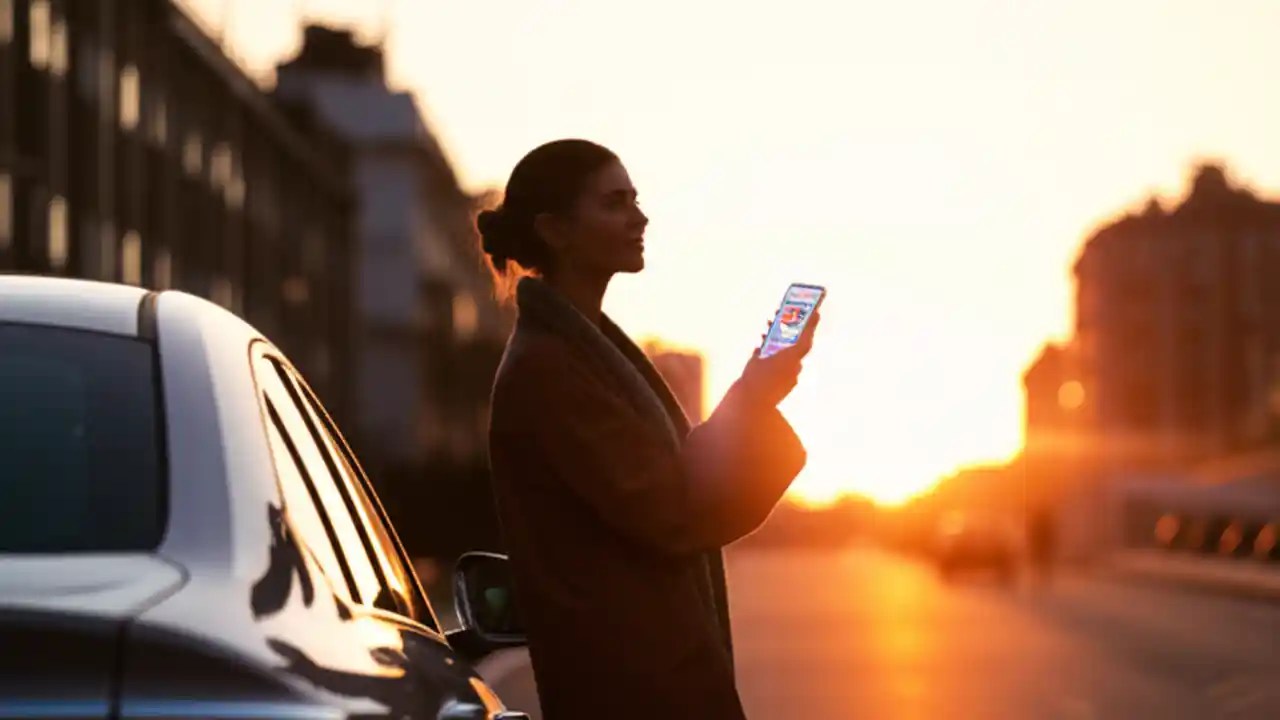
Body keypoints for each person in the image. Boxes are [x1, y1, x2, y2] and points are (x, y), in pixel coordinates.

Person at [478, 139, 819, 718]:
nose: (639, 218)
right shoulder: (548, 368)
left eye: (634, 200)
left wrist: (755, 393)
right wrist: (753, 395)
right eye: (614, 203)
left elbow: (668, 485)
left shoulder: (578, 351)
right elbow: (672, 508)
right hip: (627, 685)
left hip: (644, 673)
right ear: (555, 230)